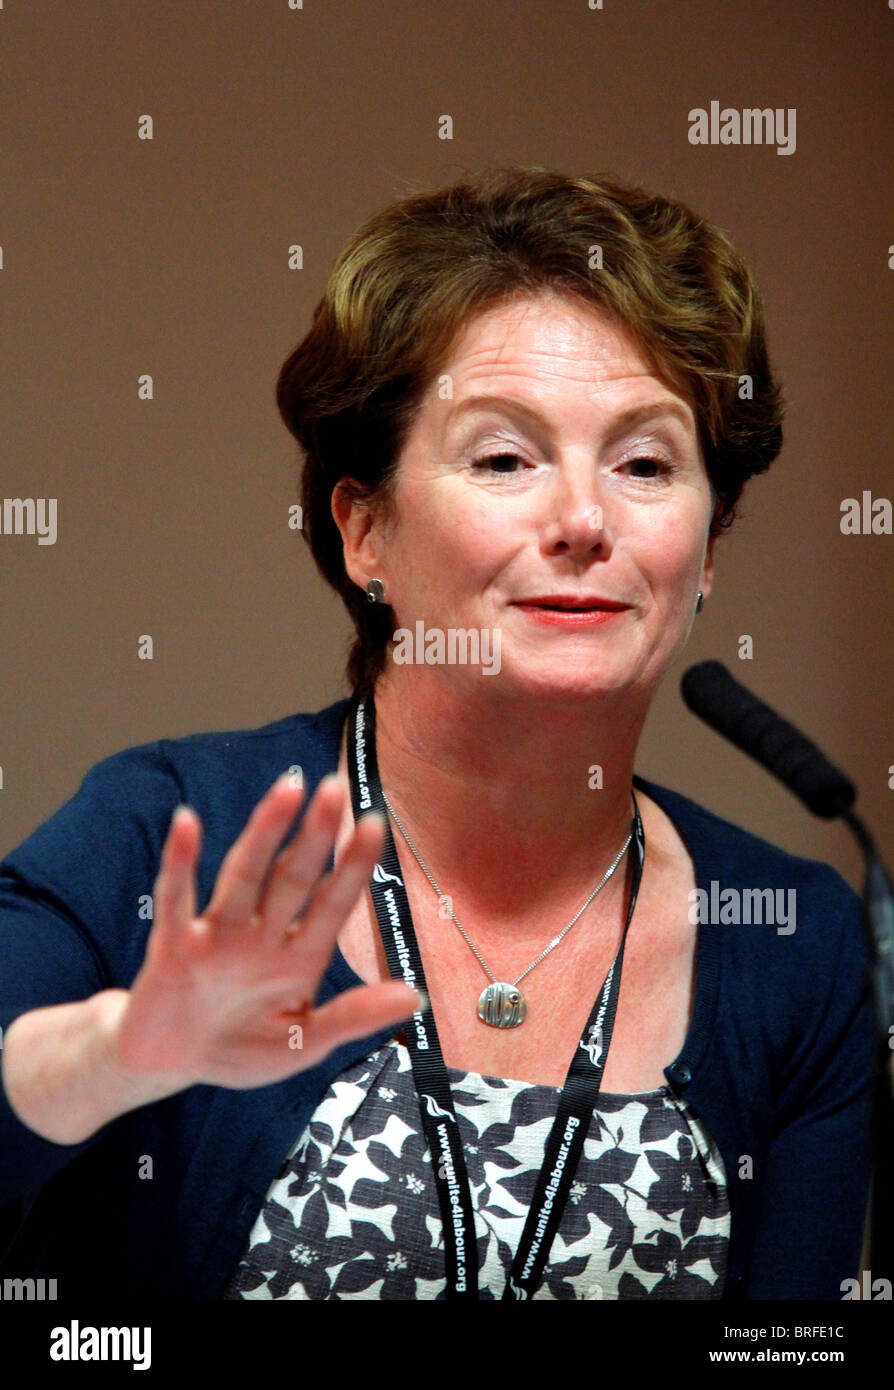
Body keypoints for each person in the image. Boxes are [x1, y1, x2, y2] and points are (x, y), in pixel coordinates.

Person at [0, 165, 875, 1302]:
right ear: (364, 531)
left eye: (647, 463)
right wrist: (108, 1059)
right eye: (504, 457)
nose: (582, 521)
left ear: (707, 551)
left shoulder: (795, 944)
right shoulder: (163, 833)